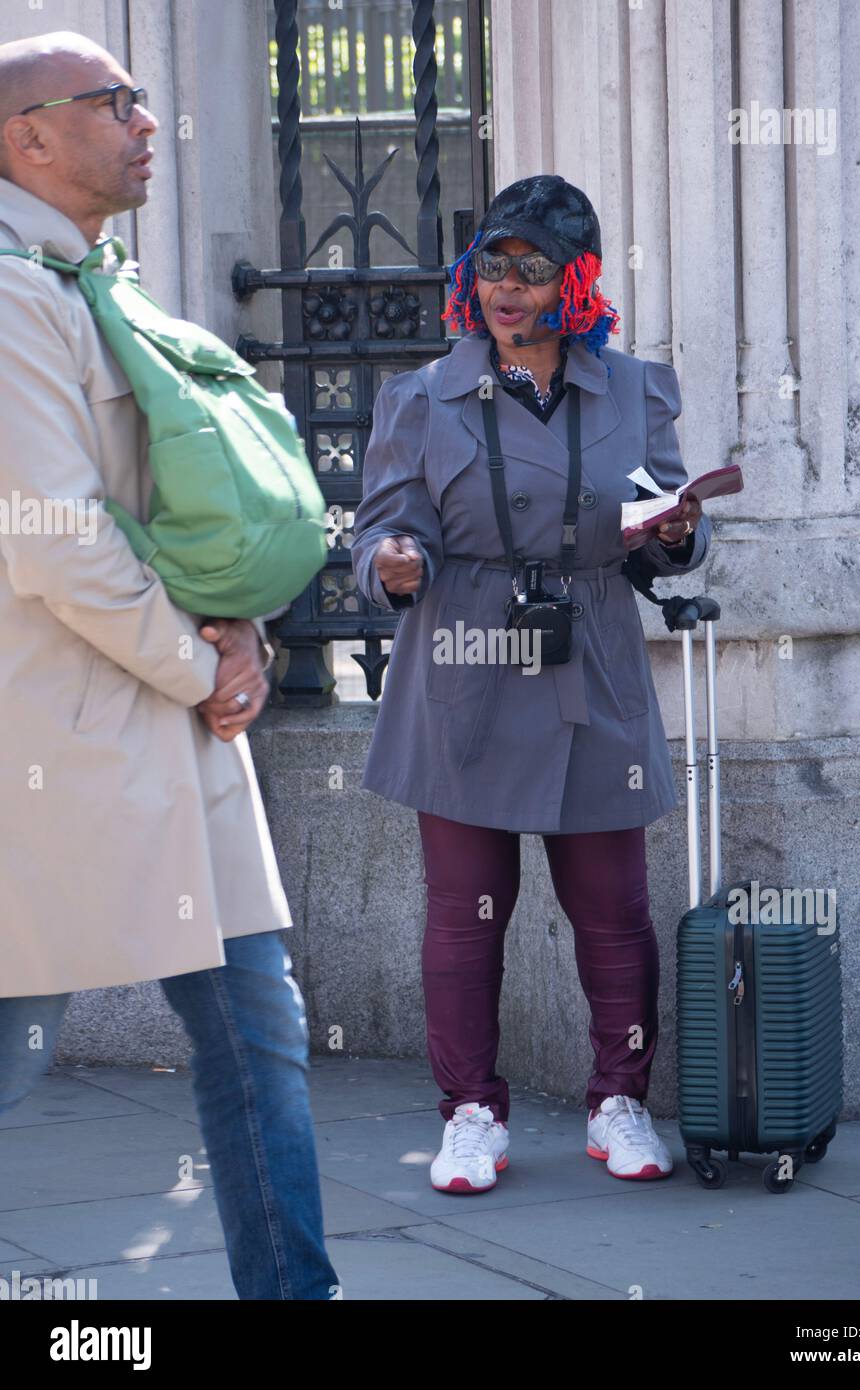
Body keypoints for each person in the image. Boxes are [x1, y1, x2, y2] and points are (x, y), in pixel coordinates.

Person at [0, 31, 339, 1298]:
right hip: (60, 744)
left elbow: (176, 504)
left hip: (173, 722)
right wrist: (207, 672)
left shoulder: (93, 279)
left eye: (147, 98)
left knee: (260, 1035)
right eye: (113, 101)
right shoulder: (11, 299)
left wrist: (239, 629)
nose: (146, 121)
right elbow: (59, 549)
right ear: (28, 136)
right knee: (15, 1048)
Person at [351, 173, 712, 1194]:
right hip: (462, 663)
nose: (507, 289)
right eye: (492, 266)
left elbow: (664, 533)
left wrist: (678, 532)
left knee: (613, 906)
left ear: (575, 283)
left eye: (533, 269)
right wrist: (391, 560)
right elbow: (378, 528)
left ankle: (618, 1101)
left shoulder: (636, 391)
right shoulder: (419, 398)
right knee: (465, 909)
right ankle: (470, 1113)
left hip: (590, 657)